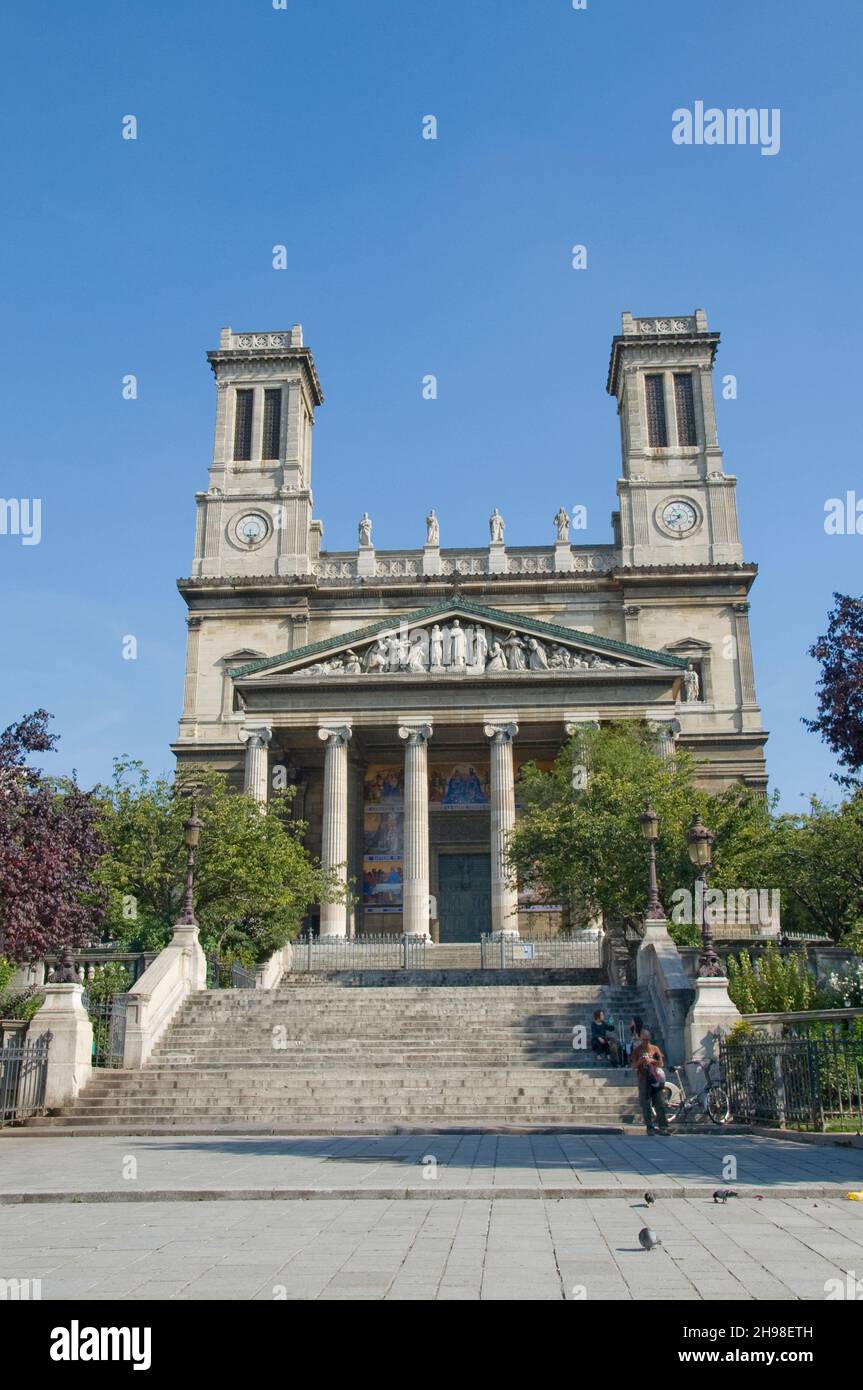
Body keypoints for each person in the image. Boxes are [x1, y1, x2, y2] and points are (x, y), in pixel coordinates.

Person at [631, 1027, 670, 1135]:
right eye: (643, 1039)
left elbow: (661, 1063)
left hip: (655, 1079)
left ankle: (663, 1127)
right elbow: (633, 1066)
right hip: (643, 1079)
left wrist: (651, 1060)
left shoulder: (655, 1049)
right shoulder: (637, 1050)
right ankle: (650, 1128)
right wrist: (641, 1061)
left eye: (647, 1040)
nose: (645, 1042)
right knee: (646, 1104)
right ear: (640, 1039)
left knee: (660, 1103)